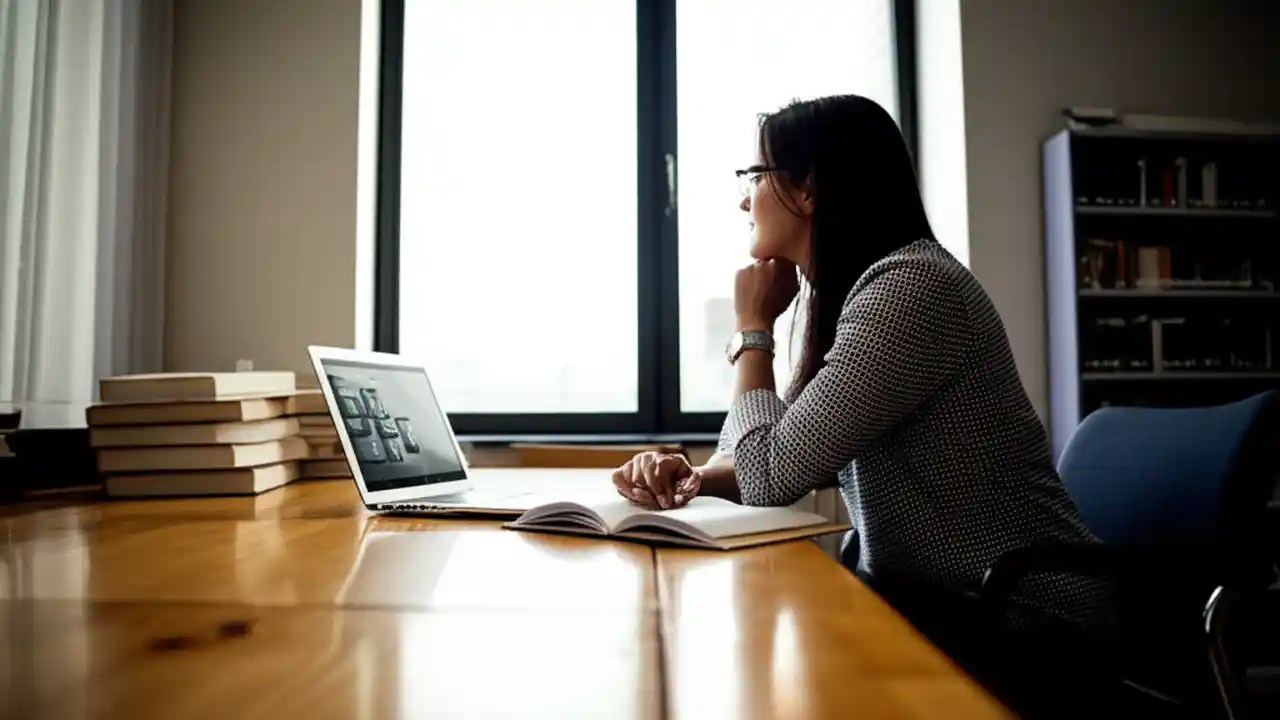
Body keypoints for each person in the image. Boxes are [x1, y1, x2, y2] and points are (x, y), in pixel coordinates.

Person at [610, 95, 1106, 701]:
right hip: (942, 601)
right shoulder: (857, 298)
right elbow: (771, 453)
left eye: (755, 177)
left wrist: (752, 328)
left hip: (1022, 617)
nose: (744, 198)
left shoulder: (910, 290)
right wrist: (690, 477)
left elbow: (770, 475)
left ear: (810, 188)